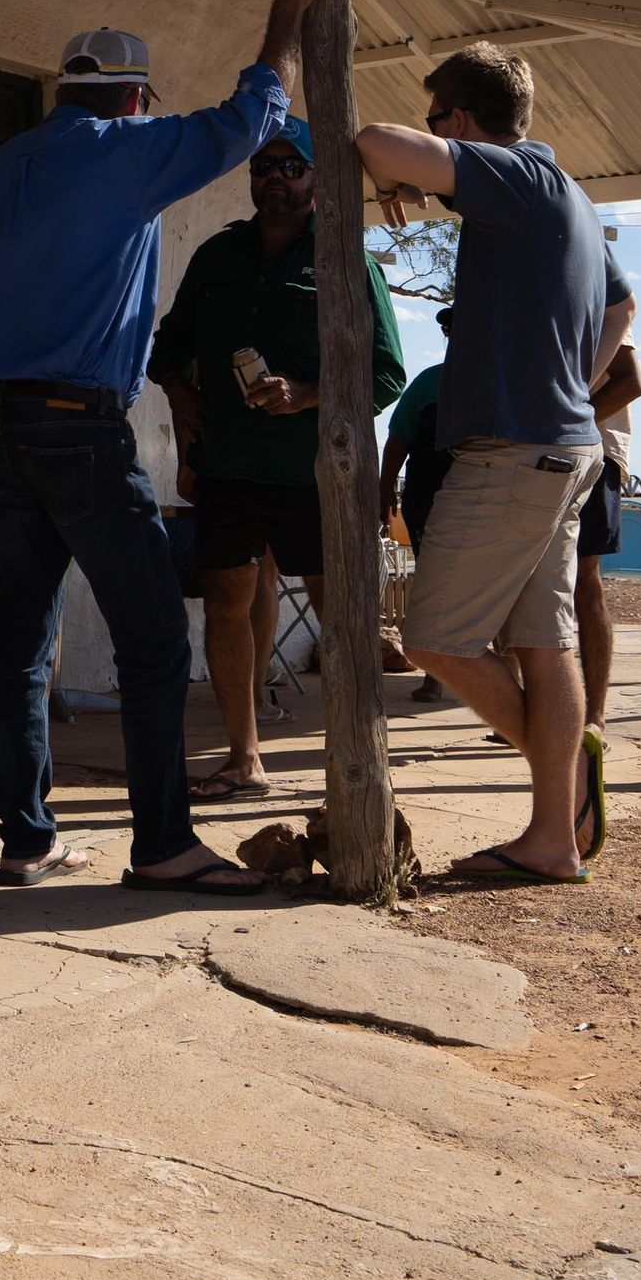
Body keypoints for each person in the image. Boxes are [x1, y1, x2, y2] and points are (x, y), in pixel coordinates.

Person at [0, 0, 358, 892]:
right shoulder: (128, 150)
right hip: (79, 425)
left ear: (62, 90)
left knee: (18, 638)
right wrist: (289, 0)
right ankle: (161, 843)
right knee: (152, 633)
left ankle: (26, 840)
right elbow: (253, 111)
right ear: (134, 97)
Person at [357, 41, 633, 886]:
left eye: (439, 116)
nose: (434, 128)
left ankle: (565, 780)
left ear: (462, 122)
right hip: (561, 444)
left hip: (513, 450)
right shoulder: (568, 197)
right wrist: (569, 382)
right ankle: (552, 836)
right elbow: (621, 304)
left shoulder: (518, 179)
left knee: (434, 639)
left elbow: (372, 138)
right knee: (545, 647)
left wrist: (413, 177)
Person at [151, 117, 406, 799]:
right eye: (263, 166)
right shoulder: (216, 256)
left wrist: (308, 394)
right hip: (228, 465)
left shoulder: (347, 260)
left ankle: (352, 758)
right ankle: (243, 758)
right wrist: (183, 399)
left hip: (313, 470)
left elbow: (385, 375)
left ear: (318, 179)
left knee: (339, 611)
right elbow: (166, 349)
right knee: (228, 605)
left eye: (291, 166)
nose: (275, 178)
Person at [570, 268, 641, 761]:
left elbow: (630, 382)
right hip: (527, 453)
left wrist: (568, 422)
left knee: (584, 579)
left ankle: (593, 716)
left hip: (593, 451)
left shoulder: (594, 289)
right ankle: (549, 712)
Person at [380, 351, 454, 702]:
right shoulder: (429, 382)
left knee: (501, 591)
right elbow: (399, 437)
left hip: (490, 502)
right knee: (432, 588)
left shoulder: (503, 378)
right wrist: (384, 489)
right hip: (431, 506)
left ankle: (509, 688)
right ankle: (434, 677)